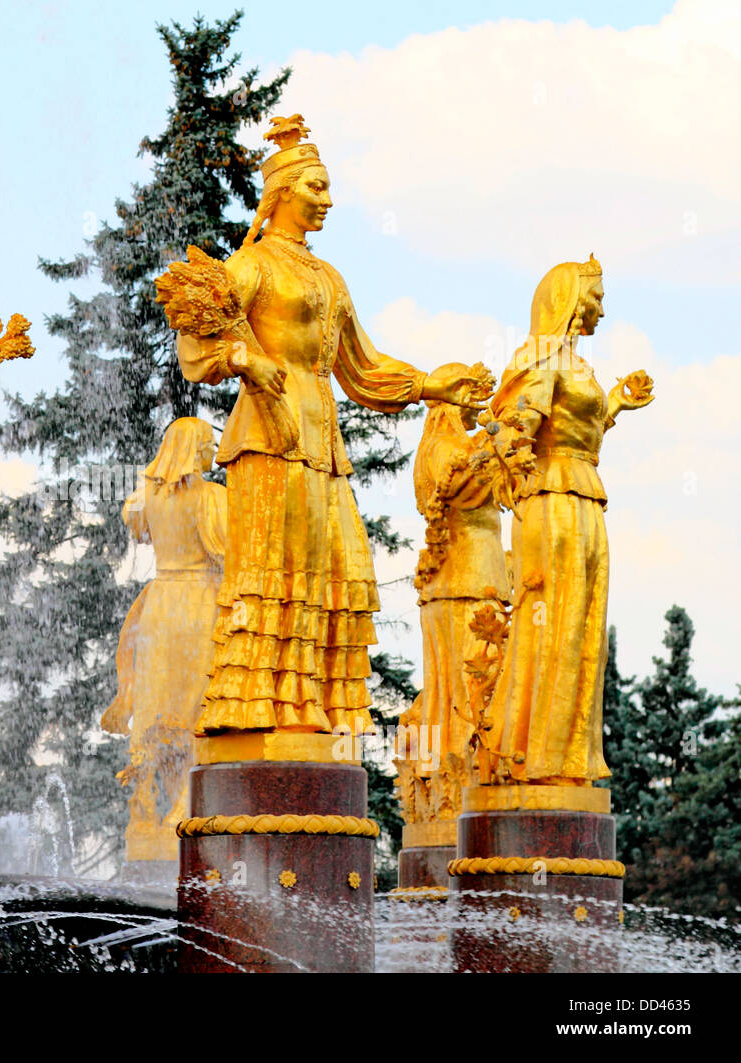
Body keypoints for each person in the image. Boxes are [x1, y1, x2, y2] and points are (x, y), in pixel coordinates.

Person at [170, 116, 487, 736]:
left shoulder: (328, 277)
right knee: (272, 568)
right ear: (283, 190)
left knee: (336, 566)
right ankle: (255, 708)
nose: (328, 200)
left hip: (324, 446)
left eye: (328, 186)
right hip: (268, 436)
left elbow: (361, 368)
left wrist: (430, 385)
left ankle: (308, 703)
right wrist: (243, 358)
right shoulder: (251, 265)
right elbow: (195, 337)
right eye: (316, 186)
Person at [485, 256, 653, 783]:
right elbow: (519, 432)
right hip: (552, 499)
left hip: (583, 495)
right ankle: (538, 754)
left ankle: (570, 755)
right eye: (595, 296)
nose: (601, 307)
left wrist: (617, 405)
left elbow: (579, 431)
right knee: (554, 619)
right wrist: (512, 455)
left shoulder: (579, 366)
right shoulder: (542, 356)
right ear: (568, 299)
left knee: (583, 626)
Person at [100, 418, 225, 861]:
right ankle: (179, 807)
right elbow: (225, 551)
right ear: (193, 449)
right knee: (194, 705)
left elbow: (137, 523)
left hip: (157, 605)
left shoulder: (145, 497)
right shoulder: (212, 497)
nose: (214, 452)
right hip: (197, 605)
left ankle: (141, 811)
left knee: (155, 707)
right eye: (209, 445)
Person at [401, 380, 510, 810]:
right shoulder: (444, 447)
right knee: (467, 684)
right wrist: (496, 442)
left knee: (461, 684)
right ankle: (459, 778)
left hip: (465, 578)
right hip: (465, 579)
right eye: (466, 401)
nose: (475, 409)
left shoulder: (448, 446)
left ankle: (455, 770)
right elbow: (460, 485)